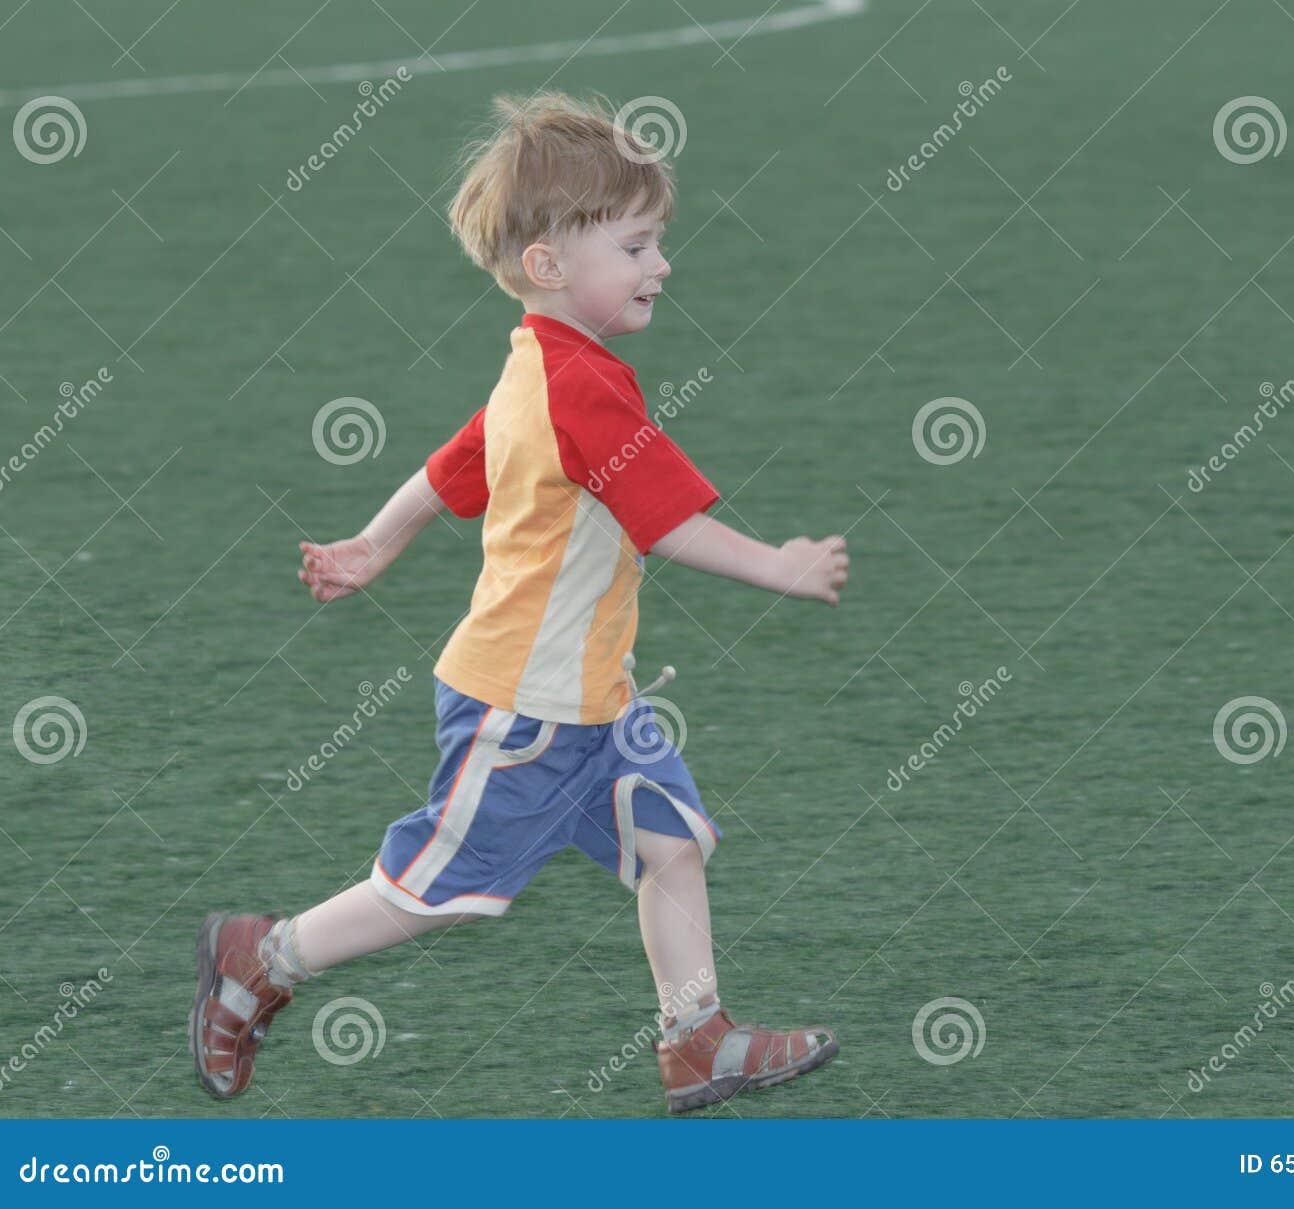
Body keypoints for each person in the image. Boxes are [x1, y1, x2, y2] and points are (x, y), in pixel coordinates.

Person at [189, 92, 850, 1114]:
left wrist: (376, 542)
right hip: (526, 706)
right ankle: (260, 956)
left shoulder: (533, 368)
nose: (659, 265)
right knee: (437, 892)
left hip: (595, 700)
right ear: (549, 266)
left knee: (669, 842)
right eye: (634, 246)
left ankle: (697, 1040)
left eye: (655, 243)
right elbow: (659, 517)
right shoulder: (580, 387)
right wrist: (780, 566)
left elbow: (452, 464)